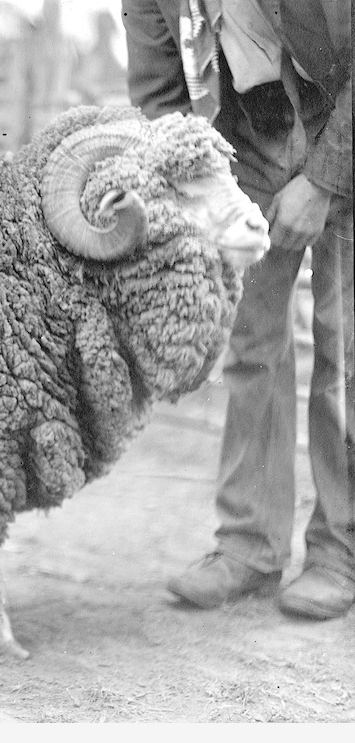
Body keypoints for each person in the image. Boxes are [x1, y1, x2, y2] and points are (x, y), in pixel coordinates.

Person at [122, 0, 353, 619]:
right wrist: (201, 191)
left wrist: (324, 181)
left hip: (344, 121)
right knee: (251, 346)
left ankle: (341, 553)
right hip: (249, 132)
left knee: (345, 348)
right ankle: (250, 547)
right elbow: (162, 94)